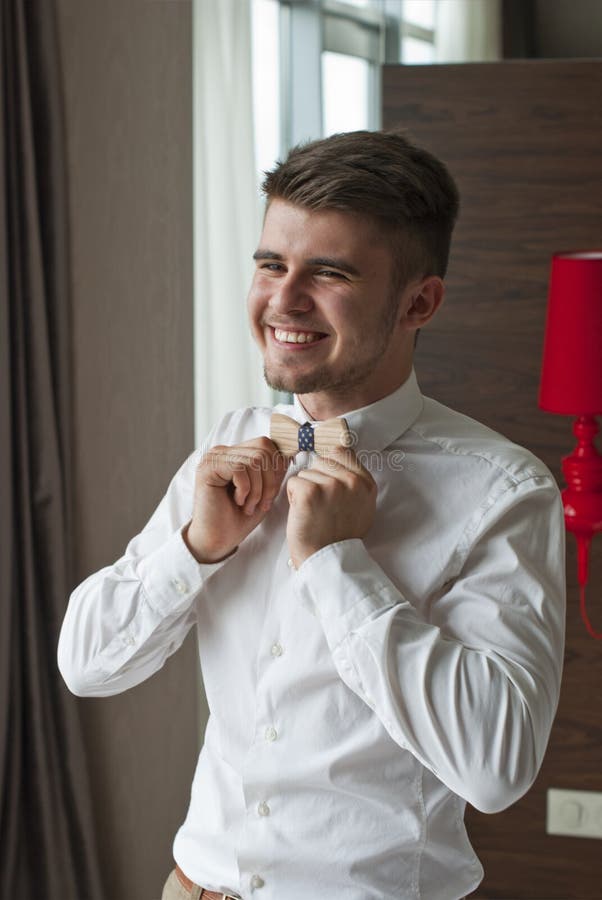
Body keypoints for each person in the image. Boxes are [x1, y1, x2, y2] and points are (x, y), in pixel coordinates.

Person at [58, 130, 565, 900]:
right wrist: (196, 548)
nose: (283, 301)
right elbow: (85, 665)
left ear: (419, 302)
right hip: (191, 887)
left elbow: (496, 769)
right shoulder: (231, 444)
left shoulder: (504, 491)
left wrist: (338, 566)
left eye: (328, 273)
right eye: (270, 264)